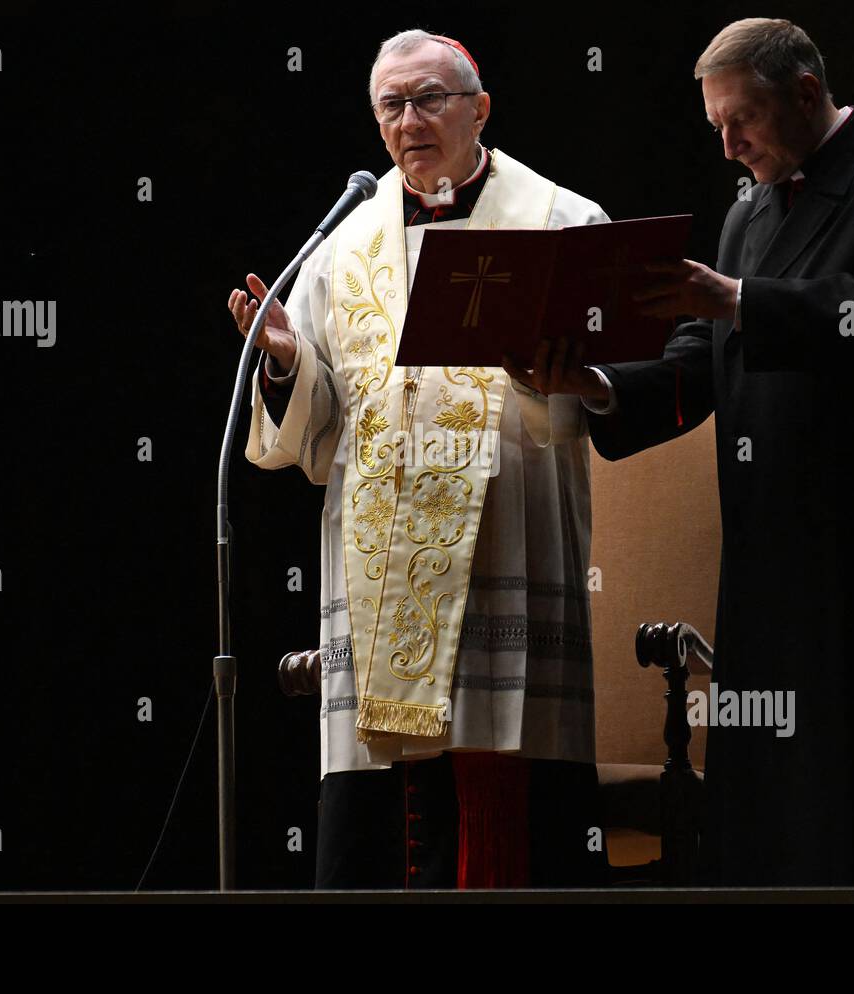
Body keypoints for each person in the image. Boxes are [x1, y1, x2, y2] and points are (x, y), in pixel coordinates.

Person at [505, 17, 854, 887]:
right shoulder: (749, 214)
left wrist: (745, 300)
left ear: (804, 91)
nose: (729, 145)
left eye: (742, 120)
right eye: (715, 126)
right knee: (786, 822)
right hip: (775, 563)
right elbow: (701, 366)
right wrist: (592, 385)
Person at [229, 29, 610, 889]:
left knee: (511, 793)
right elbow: (318, 433)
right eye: (392, 105)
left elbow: (609, 377)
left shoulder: (560, 221)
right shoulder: (340, 247)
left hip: (510, 537)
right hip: (382, 567)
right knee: (381, 821)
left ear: (479, 109)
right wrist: (289, 362)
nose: (411, 119)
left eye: (431, 98)